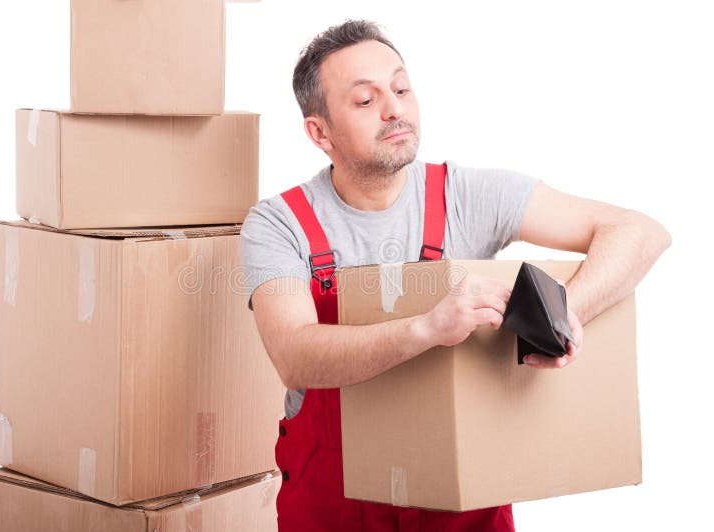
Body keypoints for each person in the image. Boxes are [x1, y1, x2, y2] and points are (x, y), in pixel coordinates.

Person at [240, 19, 671, 532]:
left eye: (401, 89)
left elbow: (639, 233)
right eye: (366, 100)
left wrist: (557, 317)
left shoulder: (467, 196)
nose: (394, 109)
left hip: (464, 503)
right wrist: (427, 329)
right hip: (333, 501)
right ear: (320, 132)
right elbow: (294, 356)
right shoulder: (279, 223)